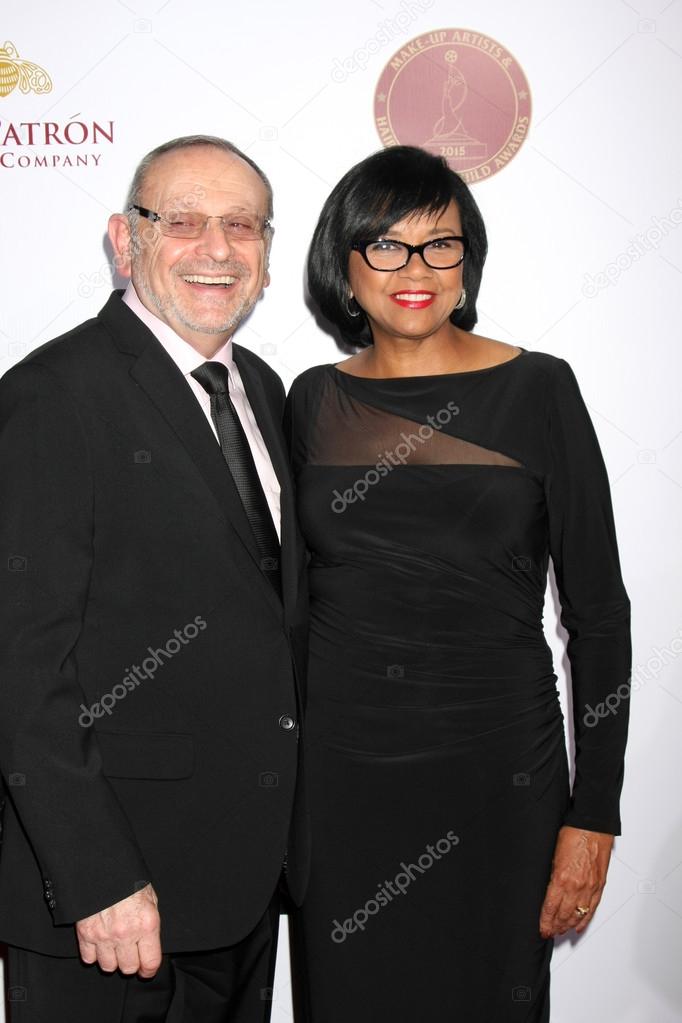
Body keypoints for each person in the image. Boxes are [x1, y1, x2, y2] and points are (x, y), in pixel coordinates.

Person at [285, 145, 631, 1022]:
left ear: (467, 260)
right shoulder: (310, 401)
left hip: (499, 777)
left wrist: (595, 814)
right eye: (386, 245)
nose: (416, 270)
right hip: (342, 782)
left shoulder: (539, 388)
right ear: (343, 264)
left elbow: (599, 614)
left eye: (440, 244)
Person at [0, 135, 309, 1023]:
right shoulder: (53, 393)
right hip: (107, 910)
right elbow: (20, 664)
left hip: (242, 892)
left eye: (242, 225)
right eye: (182, 221)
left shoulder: (264, 389)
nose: (217, 248)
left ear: (266, 253)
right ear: (123, 239)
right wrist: (96, 876)